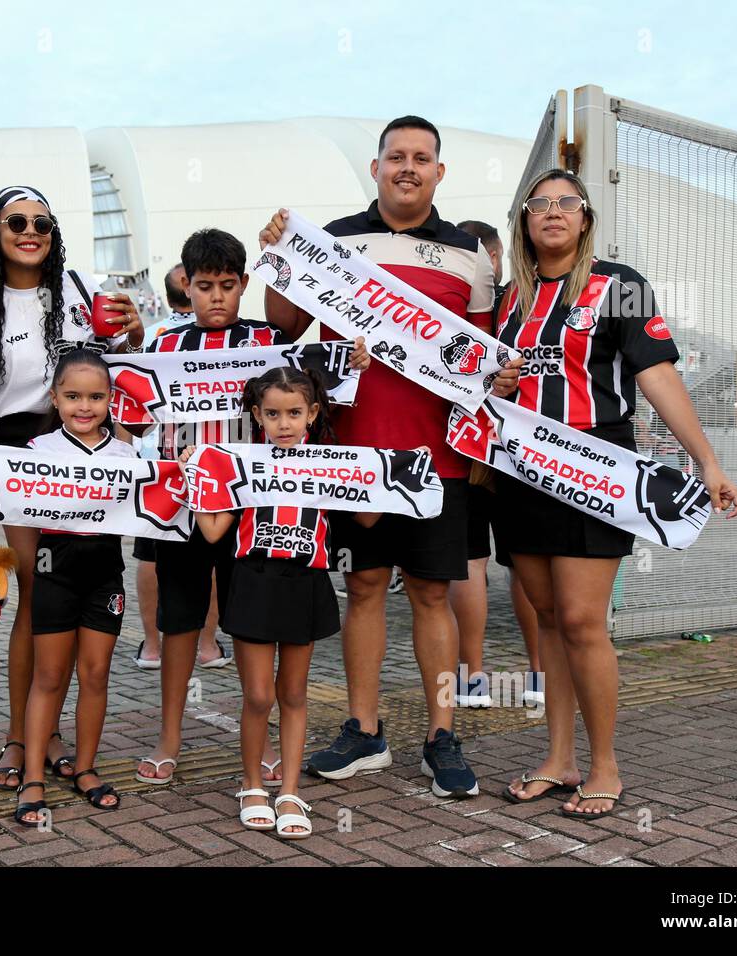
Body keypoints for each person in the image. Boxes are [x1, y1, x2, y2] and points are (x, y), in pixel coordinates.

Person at [260, 116, 520, 797]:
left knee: (434, 593)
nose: (408, 166)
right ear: (375, 167)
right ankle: (365, 730)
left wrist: (503, 384)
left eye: (422, 158)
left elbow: (486, 361)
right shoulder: (335, 240)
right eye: (395, 156)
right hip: (350, 454)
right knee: (366, 589)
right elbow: (284, 329)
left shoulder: (472, 255)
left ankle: (440, 735)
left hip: (439, 459)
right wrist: (281, 257)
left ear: (440, 172)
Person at [497, 169, 737, 817]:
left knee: (581, 620)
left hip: (595, 471)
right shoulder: (505, 299)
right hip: (521, 475)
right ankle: (559, 757)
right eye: (540, 204)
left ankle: (604, 764)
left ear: (585, 218)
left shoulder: (619, 286)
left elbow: (655, 374)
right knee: (546, 618)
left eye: (566, 203)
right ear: (525, 220)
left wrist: (707, 462)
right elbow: (480, 381)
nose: (553, 213)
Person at [134, 229, 370, 787]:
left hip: (256, 509)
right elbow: (137, 415)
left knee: (251, 626)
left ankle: (260, 737)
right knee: (180, 619)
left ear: (244, 285)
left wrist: (353, 359)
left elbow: (319, 381)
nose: (216, 297)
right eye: (203, 286)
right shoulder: (162, 346)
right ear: (184, 286)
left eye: (228, 285)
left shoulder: (271, 343)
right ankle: (169, 736)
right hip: (186, 503)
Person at [0, 184, 142, 791]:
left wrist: (134, 331)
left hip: (84, 450)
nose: (31, 231)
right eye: (16, 222)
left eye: (43, 223)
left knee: (80, 580)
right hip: (17, 458)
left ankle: (56, 737)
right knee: (35, 597)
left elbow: (118, 370)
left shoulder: (78, 292)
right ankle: (20, 736)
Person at [189, 366, 376, 838]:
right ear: (257, 415)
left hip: (306, 582)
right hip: (253, 580)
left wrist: (379, 473)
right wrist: (198, 477)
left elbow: (368, 518)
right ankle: (252, 784)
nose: (285, 423)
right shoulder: (241, 463)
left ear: (312, 413)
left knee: (293, 694)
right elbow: (213, 531)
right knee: (257, 695)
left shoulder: (330, 464)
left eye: (295, 412)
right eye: (273, 414)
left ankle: (290, 791)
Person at [15, 349, 132, 826]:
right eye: (73, 396)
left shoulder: (127, 454)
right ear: (55, 398)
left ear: (111, 400)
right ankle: (32, 776)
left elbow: (164, 493)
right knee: (48, 676)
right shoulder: (37, 452)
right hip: (54, 570)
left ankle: (84, 767)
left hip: (105, 572)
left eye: (96, 397)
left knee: (97, 673)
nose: (85, 407)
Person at [450, 220, 542, 706]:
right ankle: (539, 676)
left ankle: (472, 679)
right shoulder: (518, 303)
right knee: (521, 563)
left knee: (471, 563)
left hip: (462, 442)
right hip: (512, 444)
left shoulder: (442, 305)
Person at [132, 262, 226, 675]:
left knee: (152, 557)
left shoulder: (154, 338)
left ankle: (153, 646)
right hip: (202, 469)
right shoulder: (229, 342)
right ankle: (205, 644)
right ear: (188, 290)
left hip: (158, 469)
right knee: (214, 555)